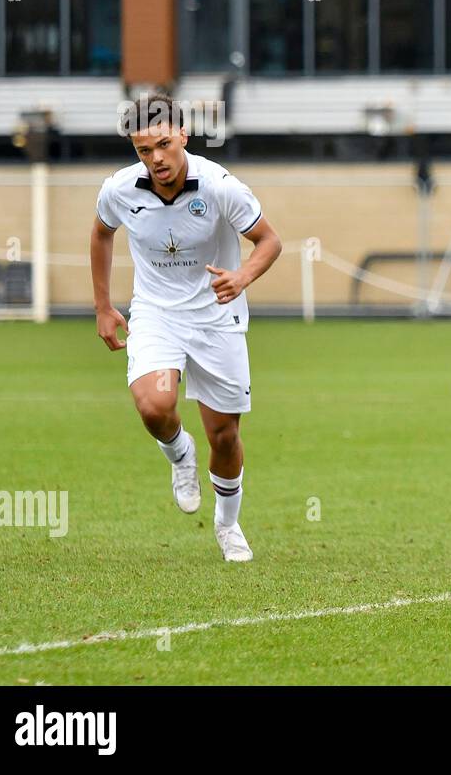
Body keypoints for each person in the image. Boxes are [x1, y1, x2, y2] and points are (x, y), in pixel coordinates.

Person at [90, 93, 282, 562]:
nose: (155, 158)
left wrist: (243, 276)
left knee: (224, 436)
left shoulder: (220, 186)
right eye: (142, 150)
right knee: (155, 405)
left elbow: (269, 241)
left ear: (183, 135)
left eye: (162, 144)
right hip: (156, 314)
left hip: (217, 319)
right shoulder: (119, 189)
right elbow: (100, 233)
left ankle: (227, 524)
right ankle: (179, 453)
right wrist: (103, 307)